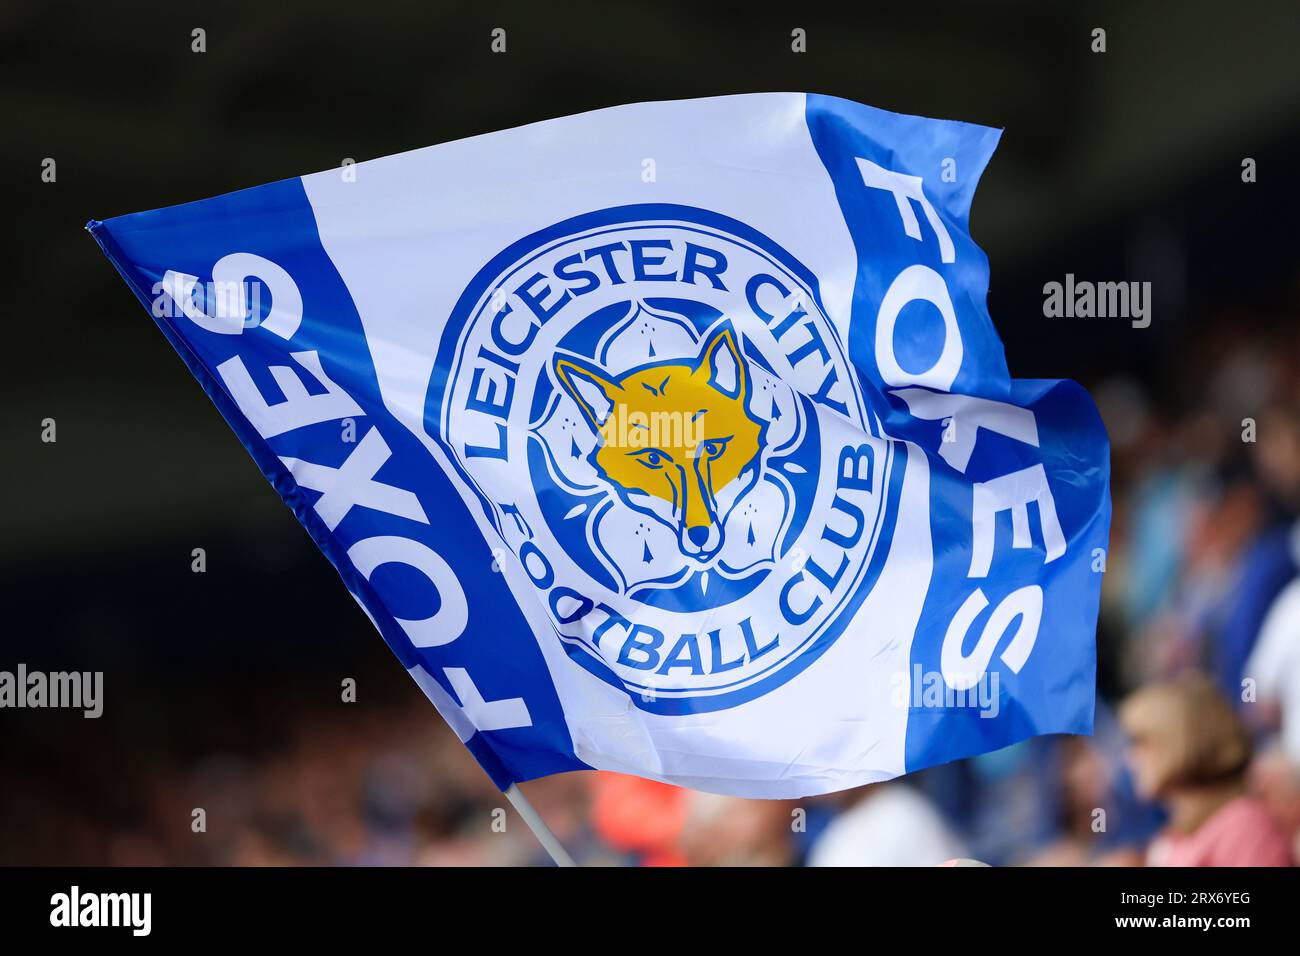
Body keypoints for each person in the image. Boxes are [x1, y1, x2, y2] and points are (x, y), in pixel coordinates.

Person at [1119, 672, 1291, 866]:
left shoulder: (1245, 827)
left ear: (1183, 742)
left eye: (1141, 743)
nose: (1130, 759)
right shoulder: (1176, 835)